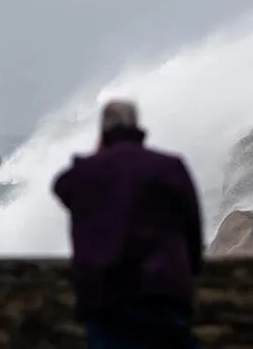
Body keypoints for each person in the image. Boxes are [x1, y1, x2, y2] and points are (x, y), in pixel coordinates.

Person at [53, 100, 204, 349]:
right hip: (164, 292)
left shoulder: (87, 172)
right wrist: (192, 267)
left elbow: (62, 187)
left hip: (107, 299)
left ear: (102, 132)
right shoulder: (169, 167)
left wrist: (99, 154)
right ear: (136, 126)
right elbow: (192, 225)